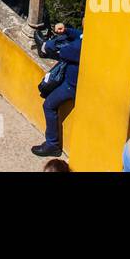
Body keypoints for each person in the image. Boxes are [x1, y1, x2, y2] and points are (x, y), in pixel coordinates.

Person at [31, 23, 84, 158]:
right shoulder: (91, 39)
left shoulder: (80, 47)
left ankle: (52, 145)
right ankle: (44, 46)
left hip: (71, 86)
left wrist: (47, 47)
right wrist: (66, 30)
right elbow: (80, 35)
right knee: (63, 40)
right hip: (72, 82)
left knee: (49, 105)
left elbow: (64, 52)